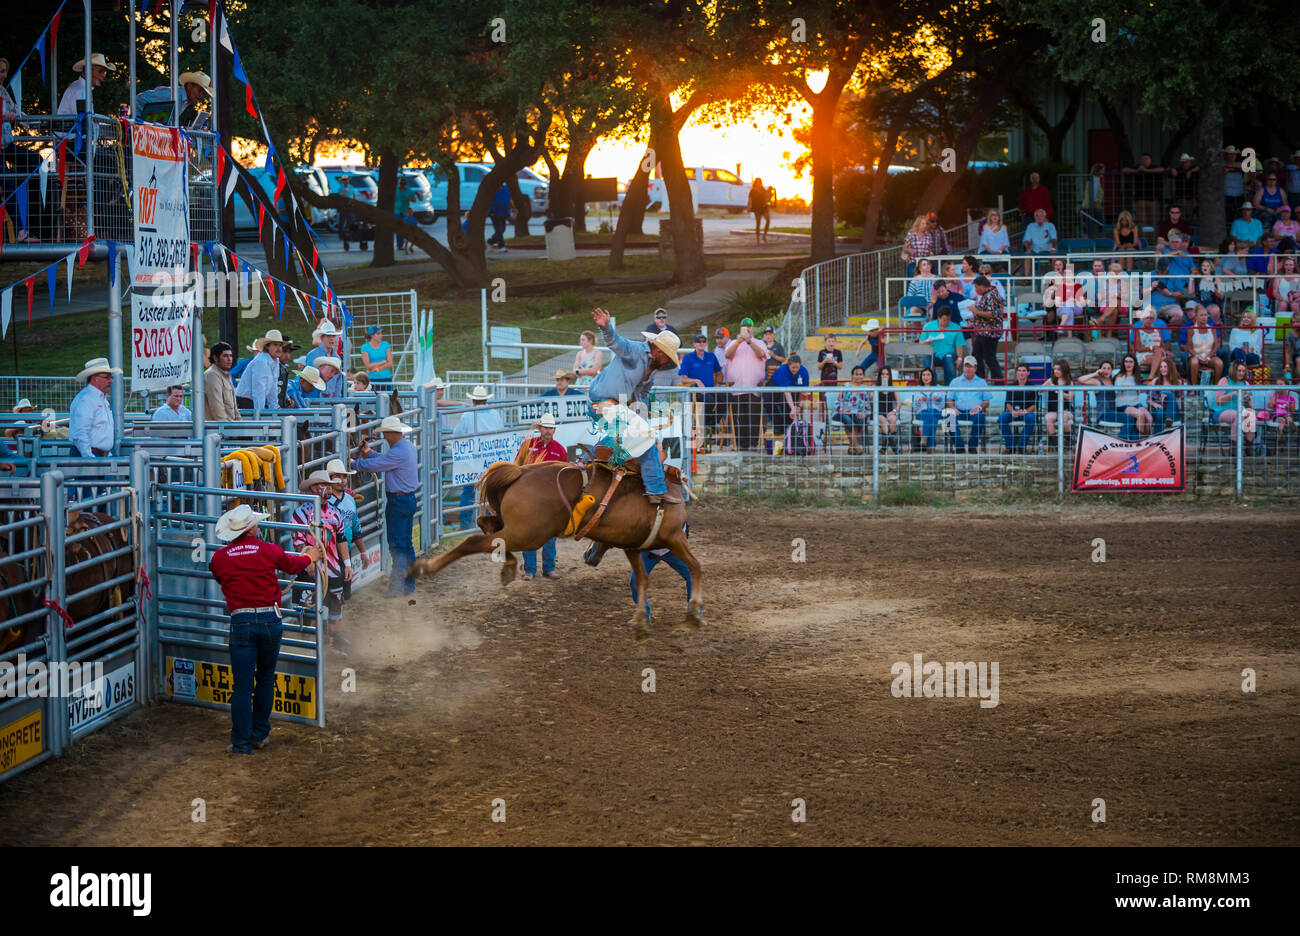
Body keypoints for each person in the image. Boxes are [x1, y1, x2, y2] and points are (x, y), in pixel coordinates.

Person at [208, 504, 322, 754]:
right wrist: (310, 557)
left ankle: (241, 743)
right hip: (270, 619)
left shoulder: (219, 558)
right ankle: (260, 734)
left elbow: (219, 575)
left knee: (242, 686)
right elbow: (293, 565)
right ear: (252, 529)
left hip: (241, 622)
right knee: (266, 677)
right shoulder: (268, 550)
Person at [587, 308, 682, 503]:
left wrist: (644, 422)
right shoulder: (636, 351)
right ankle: (655, 488)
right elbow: (616, 343)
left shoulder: (653, 369)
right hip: (602, 402)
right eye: (667, 357)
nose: (667, 363)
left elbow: (642, 396)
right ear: (658, 351)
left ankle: (653, 489)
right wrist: (606, 327)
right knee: (644, 435)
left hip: (615, 406)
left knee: (645, 437)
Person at [352, 414, 420, 594]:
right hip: (407, 499)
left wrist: (355, 463)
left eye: (385, 434)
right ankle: (408, 585)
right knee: (405, 543)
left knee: (397, 544)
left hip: (398, 501)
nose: (384, 437)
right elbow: (385, 460)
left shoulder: (398, 451)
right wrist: (368, 453)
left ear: (390, 434)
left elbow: (378, 464)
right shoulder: (406, 447)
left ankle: (397, 588)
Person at [290, 470, 351, 654]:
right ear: (313, 488)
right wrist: (307, 560)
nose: (326, 488)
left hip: (332, 569)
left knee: (334, 607)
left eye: (327, 485)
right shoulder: (300, 513)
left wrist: (347, 564)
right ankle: (307, 646)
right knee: (307, 609)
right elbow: (298, 542)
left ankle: (334, 642)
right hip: (310, 569)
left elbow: (341, 539)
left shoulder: (335, 513)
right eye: (320, 485)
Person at [512, 412, 568, 579]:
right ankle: (530, 570)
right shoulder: (527, 446)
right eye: (545, 427)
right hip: (530, 498)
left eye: (550, 428)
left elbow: (565, 475)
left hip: (551, 501)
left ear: (554, 430)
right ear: (540, 428)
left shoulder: (559, 450)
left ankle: (548, 568)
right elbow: (516, 467)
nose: (548, 431)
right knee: (530, 533)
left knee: (550, 535)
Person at [451, 386, 506, 527]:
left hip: (472, 459)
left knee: (469, 490)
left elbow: (457, 435)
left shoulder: (468, 415)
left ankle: (465, 522)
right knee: (490, 491)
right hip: (491, 458)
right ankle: (489, 521)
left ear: (473, 401)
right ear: (486, 400)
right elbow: (501, 432)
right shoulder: (495, 414)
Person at [0, 57, 40, 244]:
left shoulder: (3, 92)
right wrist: (3, 117)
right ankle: (20, 232)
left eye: (3, 71)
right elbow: (6, 115)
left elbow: (16, 113)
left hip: (5, 144)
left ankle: (32, 225)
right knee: (7, 184)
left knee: (35, 160)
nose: (1, 75)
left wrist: (38, 122)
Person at [628, 523, 695, 625]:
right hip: (649, 551)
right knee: (635, 581)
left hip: (672, 549)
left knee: (693, 575)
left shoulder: (674, 511)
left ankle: (694, 613)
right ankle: (643, 614)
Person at [724, 318, 768, 450]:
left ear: (753, 328)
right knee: (739, 417)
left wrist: (749, 341)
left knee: (753, 416)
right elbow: (727, 354)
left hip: (753, 386)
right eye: (744, 326)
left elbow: (761, 354)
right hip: (737, 387)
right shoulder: (733, 343)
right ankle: (740, 444)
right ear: (740, 328)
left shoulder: (759, 342)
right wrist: (739, 341)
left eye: (749, 326)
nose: (747, 328)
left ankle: (753, 444)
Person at [326, 458, 367, 589]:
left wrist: (363, 552)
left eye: (344, 477)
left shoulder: (350, 500)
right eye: (337, 476)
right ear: (330, 478)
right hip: (329, 553)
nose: (342, 480)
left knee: (344, 589)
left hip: (345, 550)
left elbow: (355, 527)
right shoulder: (324, 500)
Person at [70, 357, 120, 458]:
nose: (111, 381)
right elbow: (81, 433)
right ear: (95, 379)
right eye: (107, 377)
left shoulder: (97, 398)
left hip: (96, 455)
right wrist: (90, 459)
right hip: (90, 455)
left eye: (111, 377)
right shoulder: (86, 399)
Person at [678, 333, 724, 433]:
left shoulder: (711, 356)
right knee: (709, 400)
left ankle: (711, 423)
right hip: (696, 392)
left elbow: (719, 373)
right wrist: (696, 381)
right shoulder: (688, 358)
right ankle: (708, 428)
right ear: (694, 344)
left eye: (704, 341)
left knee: (727, 397)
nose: (701, 343)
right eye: (699, 341)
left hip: (711, 389)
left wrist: (718, 385)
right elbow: (683, 379)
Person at [134, 70, 211, 129]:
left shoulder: (185, 100)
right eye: (199, 90)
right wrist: (142, 121)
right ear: (190, 86)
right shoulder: (172, 95)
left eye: (203, 93)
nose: (200, 95)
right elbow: (140, 98)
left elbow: (167, 120)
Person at [946, 356, 990, 453]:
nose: (968, 369)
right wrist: (953, 408)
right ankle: (959, 446)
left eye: (970, 366)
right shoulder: (955, 381)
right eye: (966, 366)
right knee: (948, 417)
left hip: (975, 411)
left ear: (975, 368)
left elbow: (987, 401)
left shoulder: (982, 382)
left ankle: (972, 446)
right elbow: (949, 399)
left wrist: (979, 408)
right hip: (959, 411)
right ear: (963, 367)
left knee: (980, 417)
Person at [1079, 360, 1130, 438]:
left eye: (1108, 368)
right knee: (1129, 419)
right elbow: (1081, 379)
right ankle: (1122, 441)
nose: (1106, 370)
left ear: (1111, 370)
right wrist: (1095, 373)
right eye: (1104, 368)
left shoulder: (1113, 381)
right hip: (1104, 414)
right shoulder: (1098, 382)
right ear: (1100, 369)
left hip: (1113, 411)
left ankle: (1129, 441)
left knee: (1133, 418)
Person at [235, 329, 284, 410]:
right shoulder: (261, 361)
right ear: (267, 346)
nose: (279, 348)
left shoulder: (275, 361)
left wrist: (275, 409)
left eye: (280, 345)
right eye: (275, 345)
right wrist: (259, 414)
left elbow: (273, 389)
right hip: (244, 402)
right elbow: (258, 390)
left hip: (253, 401)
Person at [1214, 361, 1257, 451]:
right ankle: (1234, 448)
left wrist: (1247, 401)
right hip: (1221, 411)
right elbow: (1218, 401)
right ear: (1233, 370)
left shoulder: (1246, 384)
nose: (1241, 373)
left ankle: (1249, 447)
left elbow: (1250, 406)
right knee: (1237, 415)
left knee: (1251, 414)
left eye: (1243, 371)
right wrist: (1232, 394)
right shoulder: (1225, 381)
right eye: (1239, 371)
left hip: (1240, 411)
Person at [969, 275, 1004, 381]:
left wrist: (975, 311)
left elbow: (992, 314)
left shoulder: (991, 295)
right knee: (977, 356)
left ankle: (998, 382)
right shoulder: (988, 295)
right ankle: (980, 379)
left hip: (990, 333)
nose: (975, 290)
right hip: (983, 332)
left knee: (990, 358)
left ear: (982, 286)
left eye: (976, 287)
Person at [767, 353, 810, 439]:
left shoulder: (804, 372)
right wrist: (792, 408)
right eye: (793, 367)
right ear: (788, 365)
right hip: (775, 386)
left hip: (792, 389)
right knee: (768, 401)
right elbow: (787, 392)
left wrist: (799, 407)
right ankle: (779, 425)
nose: (795, 370)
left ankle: (788, 427)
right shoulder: (783, 369)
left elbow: (804, 392)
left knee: (787, 404)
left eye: (797, 367)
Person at [830, 366, 871, 454]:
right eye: (856, 374)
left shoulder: (866, 389)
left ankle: (852, 447)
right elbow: (837, 402)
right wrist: (842, 410)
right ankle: (857, 447)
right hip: (840, 412)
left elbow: (866, 405)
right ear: (852, 375)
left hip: (855, 413)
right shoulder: (846, 386)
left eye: (860, 374)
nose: (858, 376)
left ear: (863, 376)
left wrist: (862, 412)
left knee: (860, 420)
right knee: (848, 420)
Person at [998, 363, 1038, 453]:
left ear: (1028, 373)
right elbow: (1008, 403)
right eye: (1019, 371)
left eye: (1024, 371)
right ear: (1016, 373)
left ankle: (1021, 446)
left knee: (1031, 418)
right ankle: (1010, 446)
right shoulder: (1011, 386)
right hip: (1013, 412)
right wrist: (1012, 411)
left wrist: (1025, 411)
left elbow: (1034, 405)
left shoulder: (1032, 387)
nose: (1021, 373)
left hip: (1026, 413)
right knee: (1002, 418)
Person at [919, 307, 964, 384]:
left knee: (948, 357)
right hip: (933, 354)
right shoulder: (928, 326)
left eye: (948, 320)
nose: (947, 322)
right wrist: (927, 342)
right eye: (944, 320)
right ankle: (933, 385)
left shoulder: (956, 327)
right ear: (938, 318)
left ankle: (949, 387)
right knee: (927, 356)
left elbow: (959, 346)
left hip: (948, 355)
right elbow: (921, 343)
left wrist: (959, 358)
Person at [1115, 352, 1153, 438]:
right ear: (1123, 363)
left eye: (1130, 362)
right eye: (1126, 361)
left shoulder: (1136, 377)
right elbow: (1117, 390)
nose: (1128, 364)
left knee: (1149, 418)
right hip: (1123, 405)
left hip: (1136, 403)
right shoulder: (1119, 377)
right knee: (1140, 415)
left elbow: (1139, 391)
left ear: (1134, 364)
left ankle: (1145, 438)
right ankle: (1141, 439)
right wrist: (1124, 387)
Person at [1124, 153, 1165, 231]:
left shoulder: (1154, 167)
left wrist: (1147, 170)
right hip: (1140, 199)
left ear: (1150, 160)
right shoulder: (1138, 167)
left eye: (1146, 159)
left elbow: (1162, 169)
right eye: (1142, 159)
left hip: (1153, 199)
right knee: (1142, 221)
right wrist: (1136, 171)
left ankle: (1152, 239)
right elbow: (1124, 170)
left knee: (1154, 221)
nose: (1144, 161)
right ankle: (1145, 239)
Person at [902, 212, 950, 277]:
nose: (925, 225)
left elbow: (929, 249)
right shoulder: (911, 234)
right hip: (914, 262)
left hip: (925, 264)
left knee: (926, 282)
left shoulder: (928, 235)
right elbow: (904, 248)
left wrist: (931, 253)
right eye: (923, 223)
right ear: (918, 224)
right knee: (911, 282)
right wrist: (910, 250)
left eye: (926, 223)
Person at [911, 367, 946, 452]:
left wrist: (938, 399)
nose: (925, 377)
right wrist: (919, 401)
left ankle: (924, 438)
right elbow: (915, 407)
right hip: (922, 414)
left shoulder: (938, 388)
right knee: (931, 416)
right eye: (923, 375)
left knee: (932, 413)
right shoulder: (917, 389)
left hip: (938, 413)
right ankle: (930, 446)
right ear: (921, 377)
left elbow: (943, 405)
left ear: (932, 376)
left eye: (928, 375)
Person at [1185, 306, 1223, 384]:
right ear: (1196, 317)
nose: (1204, 317)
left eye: (1205, 315)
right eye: (1201, 315)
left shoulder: (1212, 329)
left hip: (1209, 356)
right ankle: (1194, 387)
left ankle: (1216, 387)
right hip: (1196, 356)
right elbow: (1189, 347)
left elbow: (1215, 346)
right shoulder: (1191, 329)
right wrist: (1199, 357)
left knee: (1219, 363)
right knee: (1194, 362)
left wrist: (1208, 357)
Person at [203, 341, 240, 421]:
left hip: (229, 428)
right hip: (219, 430)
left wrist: (240, 428)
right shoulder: (212, 375)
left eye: (230, 356)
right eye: (225, 356)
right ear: (215, 358)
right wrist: (228, 429)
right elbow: (217, 409)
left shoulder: (226, 375)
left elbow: (235, 410)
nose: (229, 359)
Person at [1041, 359, 1075, 441]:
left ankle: (1068, 441)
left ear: (1064, 370)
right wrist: (1048, 386)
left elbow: (1070, 397)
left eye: (1058, 369)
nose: (1056, 371)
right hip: (1053, 410)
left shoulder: (1069, 382)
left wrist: (1058, 391)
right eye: (1054, 369)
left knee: (1063, 417)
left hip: (1066, 410)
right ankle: (1055, 443)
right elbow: (1040, 390)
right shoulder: (1051, 380)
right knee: (1048, 418)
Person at [1129, 307, 1168, 378]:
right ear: (1143, 319)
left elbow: (1162, 345)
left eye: (1151, 318)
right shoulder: (1138, 331)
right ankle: (1155, 379)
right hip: (1143, 355)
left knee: (1160, 355)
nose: (1149, 320)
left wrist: (1162, 349)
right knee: (1162, 360)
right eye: (1147, 318)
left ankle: (1152, 378)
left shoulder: (1157, 330)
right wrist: (1152, 348)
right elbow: (1138, 348)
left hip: (1156, 354)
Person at [1146, 357, 1183, 429]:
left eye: (1165, 367)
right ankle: (1158, 436)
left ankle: (1169, 418)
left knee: (1170, 395)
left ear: (1170, 368)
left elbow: (1179, 400)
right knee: (1160, 412)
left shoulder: (1177, 382)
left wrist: (1179, 412)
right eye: (1161, 367)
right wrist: (1155, 404)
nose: (1162, 369)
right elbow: (1148, 400)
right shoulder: (1155, 381)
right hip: (1158, 409)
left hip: (1172, 411)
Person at [1020, 208, 1057, 277]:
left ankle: (1056, 277)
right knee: (1027, 254)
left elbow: (1054, 239)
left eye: (1041, 215)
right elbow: (1026, 240)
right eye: (1037, 216)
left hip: (1048, 249)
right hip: (1034, 250)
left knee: (1054, 254)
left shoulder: (1050, 225)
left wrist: (1053, 248)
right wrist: (1028, 248)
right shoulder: (1030, 226)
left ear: (1044, 217)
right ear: (1034, 217)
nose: (1039, 217)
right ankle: (1026, 278)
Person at [873, 366, 901, 453]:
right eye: (883, 374)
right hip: (878, 412)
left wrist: (894, 411)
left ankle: (884, 447)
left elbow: (899, 403)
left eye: (887, 374)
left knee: (893, 418)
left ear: (889, 376)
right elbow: (871, 401)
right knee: (882, 419)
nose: (885, 376)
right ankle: (893, 446)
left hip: (889, 412)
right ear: (880, 376)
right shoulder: (875, 387)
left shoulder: (892, 388)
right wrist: (880, 388)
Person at [358, 325, 394, 390]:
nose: (381, 335)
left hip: (386, 378)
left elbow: (390, 363)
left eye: (381, 333)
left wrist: (376, 369)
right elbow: (368, 366)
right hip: (372, 379)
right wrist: (383, 362)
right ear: (372, 335)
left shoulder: (385, 345)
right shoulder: (365, 347)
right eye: (378, 334)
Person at [1168, 154, 1199, 228]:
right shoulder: (1177, 170)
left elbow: (1200, 167)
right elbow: (1169, 172)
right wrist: (1172, 169)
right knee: (1180, 219)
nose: (1184, 164)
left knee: (1192, 219)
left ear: (1190, 162)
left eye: (1186, 162)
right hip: (1180, 199)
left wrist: (1191, 171)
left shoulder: (1194, 169)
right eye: (1182, 162)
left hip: (1192, 199)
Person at [1083, 162, 1107, 235]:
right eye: (1102, 171)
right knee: (1102, 222)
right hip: (1093, 205)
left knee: (1089, 223)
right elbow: (1093, 194)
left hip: (1088, 205)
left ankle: (1086, 238)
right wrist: (1096, 205)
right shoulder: (1095, 180)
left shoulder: (1092, 179)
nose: (1104, 172)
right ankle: (1102, 237)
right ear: (1098, 171)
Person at [1224, 146, 1246, 223]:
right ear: (1226, 155)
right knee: (1228, 215)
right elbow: (1222, 168)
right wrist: (1235, 168)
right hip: (1227, 195)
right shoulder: (1222, 163)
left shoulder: (1239, 163)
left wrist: (1229, 169)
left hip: (1239, 194)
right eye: (1230, 154)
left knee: (1240, 214)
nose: (1232, 156)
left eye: (1234, 154)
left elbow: (1247, 166)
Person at [487, 183, 511, 252]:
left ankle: (491, 241)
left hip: (503, 212)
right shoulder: (492, 188)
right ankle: (501, 246)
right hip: (494, 212)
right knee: (499, 229)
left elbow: (509, 198)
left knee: (502, 229)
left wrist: (512, 206)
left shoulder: (505, 188)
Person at [747, 177, 770, 243]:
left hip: (764, 207)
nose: (758, 183)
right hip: (756, 208)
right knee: (758, 223)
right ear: (755, 183)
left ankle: (764, 235)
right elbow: (750, 200)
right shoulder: (752, 191)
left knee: (768, 220)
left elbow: (766, 197)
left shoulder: (763, 189)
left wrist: (767, 203)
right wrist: (748, 207)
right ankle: (758, 239)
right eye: (757, 182)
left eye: (760, 182)